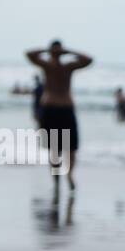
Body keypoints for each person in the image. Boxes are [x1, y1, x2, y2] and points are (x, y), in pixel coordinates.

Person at [26, 40, 93, 191]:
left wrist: (67, 51)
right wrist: (48, 50)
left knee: (71, 147)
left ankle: (69, 174)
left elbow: (89, 60)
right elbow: (29, 54)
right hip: (51, 108)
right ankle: (56, 178)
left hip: (65, 108)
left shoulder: (67, 67)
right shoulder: (47, 66)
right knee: (55, 148)